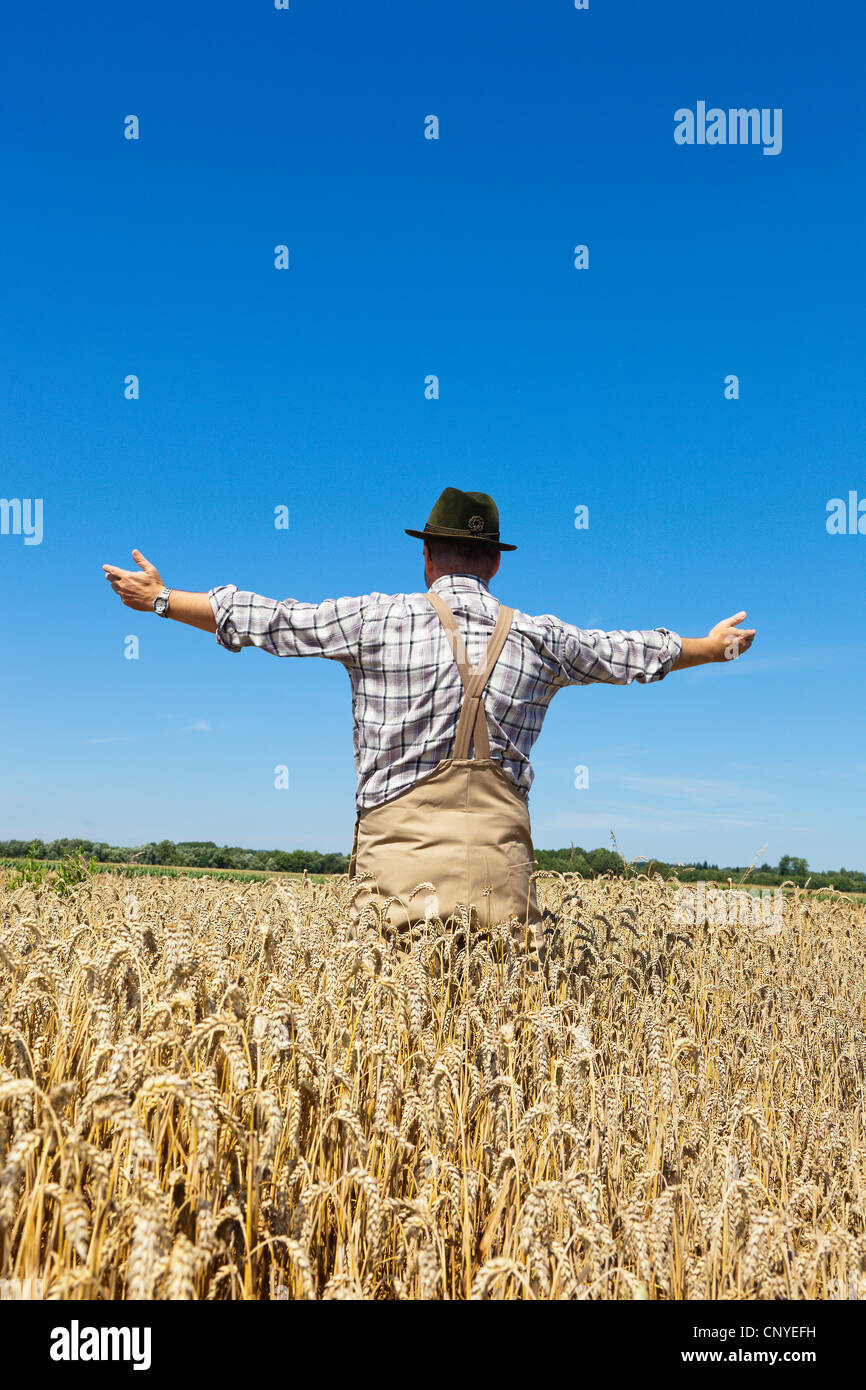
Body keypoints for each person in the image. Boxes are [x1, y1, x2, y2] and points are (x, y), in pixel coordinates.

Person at [102, 486, 755, 933]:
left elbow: (268, 619)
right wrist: (712, 647)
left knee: (389, 1057)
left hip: (396, 886)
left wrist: (163, 600)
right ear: (496, 562)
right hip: (504, 888)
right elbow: (633, 653)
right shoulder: (545, 639)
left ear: (427, 556)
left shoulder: (377, 619)